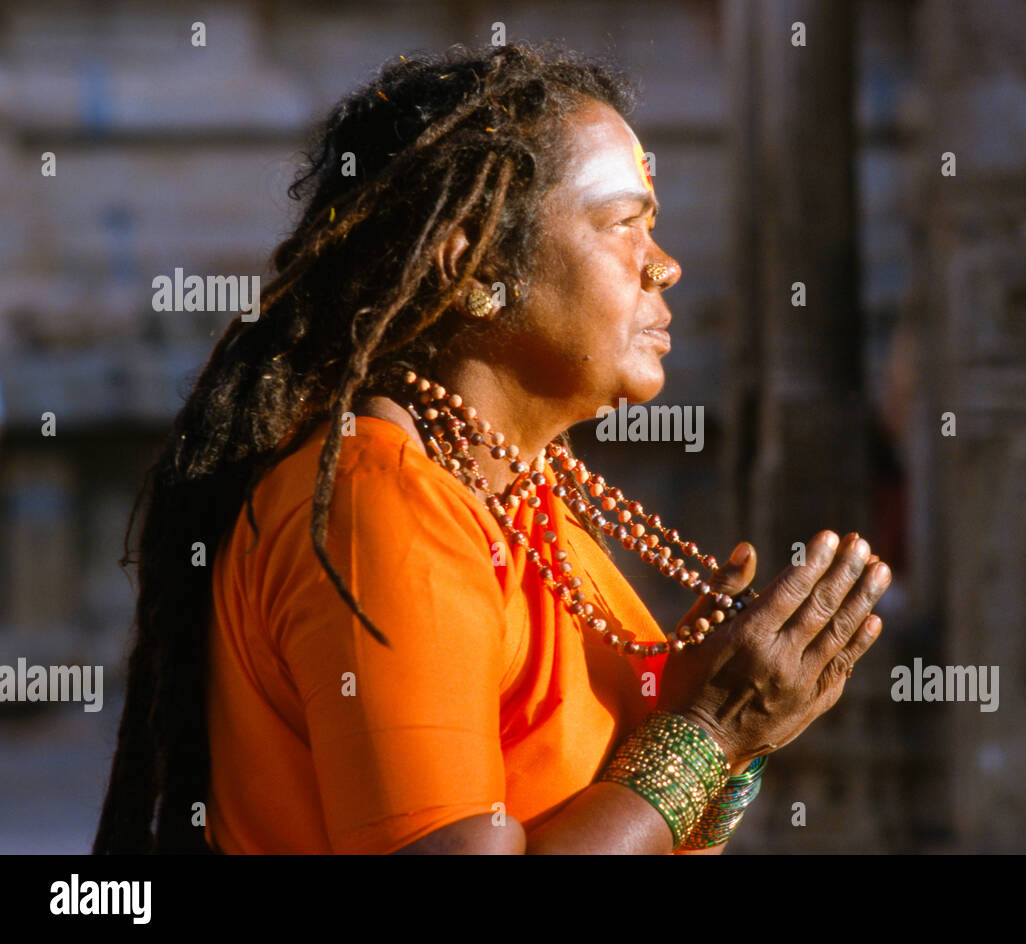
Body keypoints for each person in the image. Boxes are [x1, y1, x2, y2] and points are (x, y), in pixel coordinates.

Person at [92, 42, 892, 855]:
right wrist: (709, 733)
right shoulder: (382, 507)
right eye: (624, 225)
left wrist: (732, 736)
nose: (666, 266)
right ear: (471, 264)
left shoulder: (532, 513)